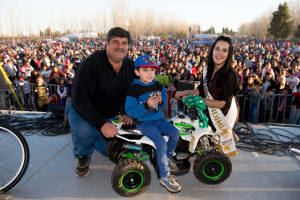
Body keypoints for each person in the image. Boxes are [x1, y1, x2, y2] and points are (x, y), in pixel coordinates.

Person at [65, 27, 137, 177]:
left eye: (124, 43)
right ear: (107, 44)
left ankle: (93, 137)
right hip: (83, 110)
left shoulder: (131, 66)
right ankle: (83, 155)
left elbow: (134, 93)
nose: (120, 46)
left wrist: (128, 112)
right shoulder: (90, 64)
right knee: (84, 132)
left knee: (110, 151)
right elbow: (79, 98)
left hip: (108, 113)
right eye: (115, 42)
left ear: (128, 46)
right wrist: (101, 124)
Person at [125, 55, 181, 193]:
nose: (149, 73)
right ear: (137, 72)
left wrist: (161, 101)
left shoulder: (157, 84)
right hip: (144, 123)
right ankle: (165, 176)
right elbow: (130, 110)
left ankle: (167, 158)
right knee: (161, 143)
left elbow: (165, 96)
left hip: (159, 119)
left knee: (175, 133)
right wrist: (146, 105)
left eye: (152, 69)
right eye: (145, 70)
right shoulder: (134, 89)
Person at [175, 36, 239, 156]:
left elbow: (222, 103)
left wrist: (197, 100)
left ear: (229, 54)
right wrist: (185, 93)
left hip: (223, 115)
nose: (219, 53)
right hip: (206, 109)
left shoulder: (231, 75)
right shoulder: (207, 69)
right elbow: (201, 91)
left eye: (224, 50)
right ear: (212, 50)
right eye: (217, 49)